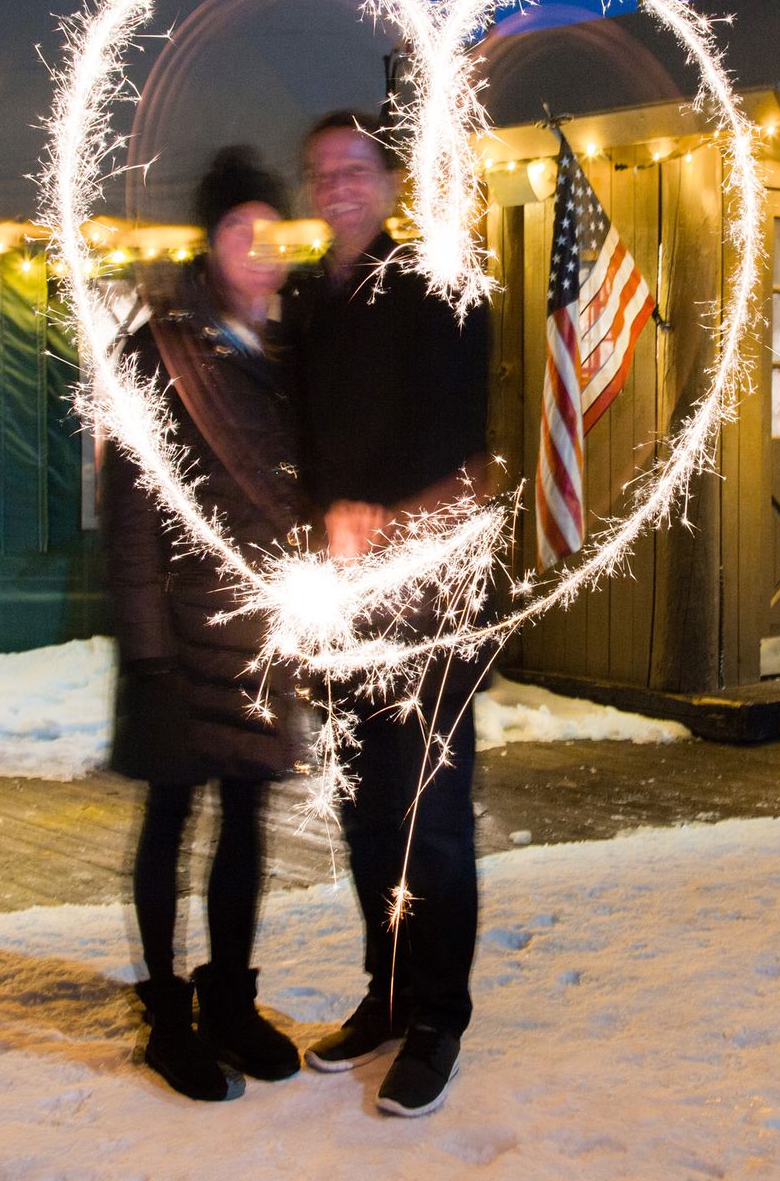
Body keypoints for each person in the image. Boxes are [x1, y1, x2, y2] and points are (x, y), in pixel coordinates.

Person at [284, 109, 491, 1118]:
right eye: (321, 170)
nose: (337, 184)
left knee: (432, 818)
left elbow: (475, 464)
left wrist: (389, 521)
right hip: (340, 605)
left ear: (390, 178)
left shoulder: (435, 287)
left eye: (354, 167)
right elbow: (286, 447)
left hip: (433, 600)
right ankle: (389, 991)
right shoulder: (303, 303)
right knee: (366, 809)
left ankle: (440, 1014)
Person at [103, 145, 306, 1102]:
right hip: (179, 638)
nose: (258, 246)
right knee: (172, 813)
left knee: (246, 817)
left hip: (263, 638)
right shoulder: (159, 353)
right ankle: (169, 1017)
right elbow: (133, 515)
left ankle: (229, 1000)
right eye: (239, 228)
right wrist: (145, 650)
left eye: (270, 227)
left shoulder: (295, 350)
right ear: (212, 242)